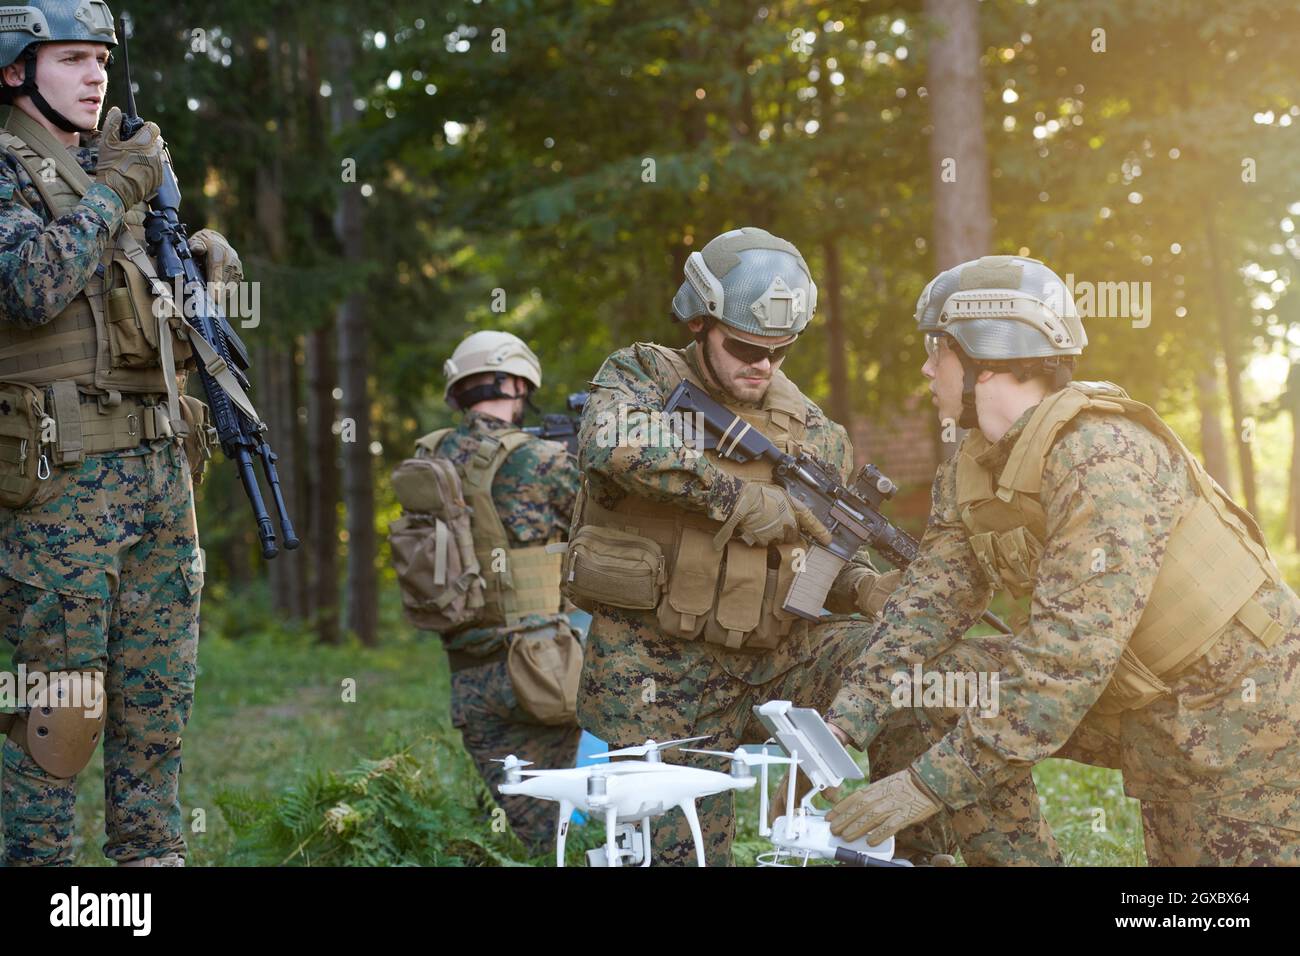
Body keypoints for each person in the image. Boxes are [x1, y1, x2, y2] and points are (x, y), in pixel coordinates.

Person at [825, 254, 1300, 865]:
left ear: (984, 355)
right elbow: (923, 611)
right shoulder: (973, 468)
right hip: (1137, 697)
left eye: (936, 349)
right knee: (938, 687)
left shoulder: (1102, 458)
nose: (925, 367)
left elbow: (1065, 661)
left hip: (1241, 716)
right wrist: (839, 730)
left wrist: (925, 785)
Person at [568, 226, 971, 866]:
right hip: (658, 672)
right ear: (700, 322)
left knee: (910, 668)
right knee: (683, 858)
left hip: (776, 660)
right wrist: (735, 496)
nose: (763, 364)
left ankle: (915, 852)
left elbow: (819, 558)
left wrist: (863, 586)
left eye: (780, 352)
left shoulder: (814, 431)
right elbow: (610, 441)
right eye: (746, 346)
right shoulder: (641, 373)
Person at [0, 0, 233, 866]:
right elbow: (29, 285)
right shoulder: (18, 168)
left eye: (101, 58)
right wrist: (116, 194)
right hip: (60, 484)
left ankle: (150, 864)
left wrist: (195, 269)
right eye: (71, 58)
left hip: (158, 468)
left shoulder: (119, 167)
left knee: (156, 699)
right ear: (16, 69)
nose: (97, 74)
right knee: (58, 712)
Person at [403, 330, 583, 852]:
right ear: (516, 384)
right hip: (540, 670)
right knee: (552, 836)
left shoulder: (430, 457)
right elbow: (604, 531)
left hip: (468, 671)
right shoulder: (542, 460)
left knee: (512, 827)